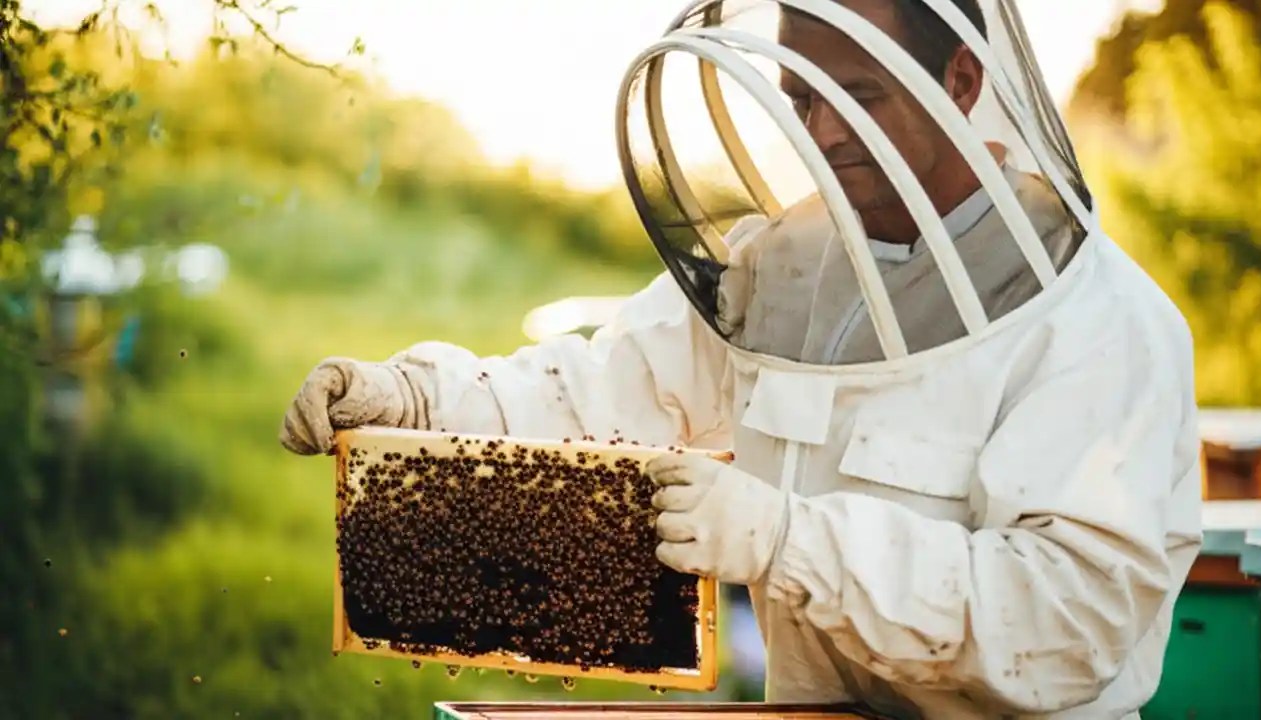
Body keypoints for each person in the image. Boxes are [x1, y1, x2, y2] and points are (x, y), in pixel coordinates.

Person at [280, 1, 1203, 717]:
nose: (826, 131)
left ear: (960, 80)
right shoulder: (783, 267)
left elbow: (1065, 618)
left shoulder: (1100, 327)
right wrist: (411, 396)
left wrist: (786, 539)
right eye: (804, 96)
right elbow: (602, 390)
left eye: (861, 98)